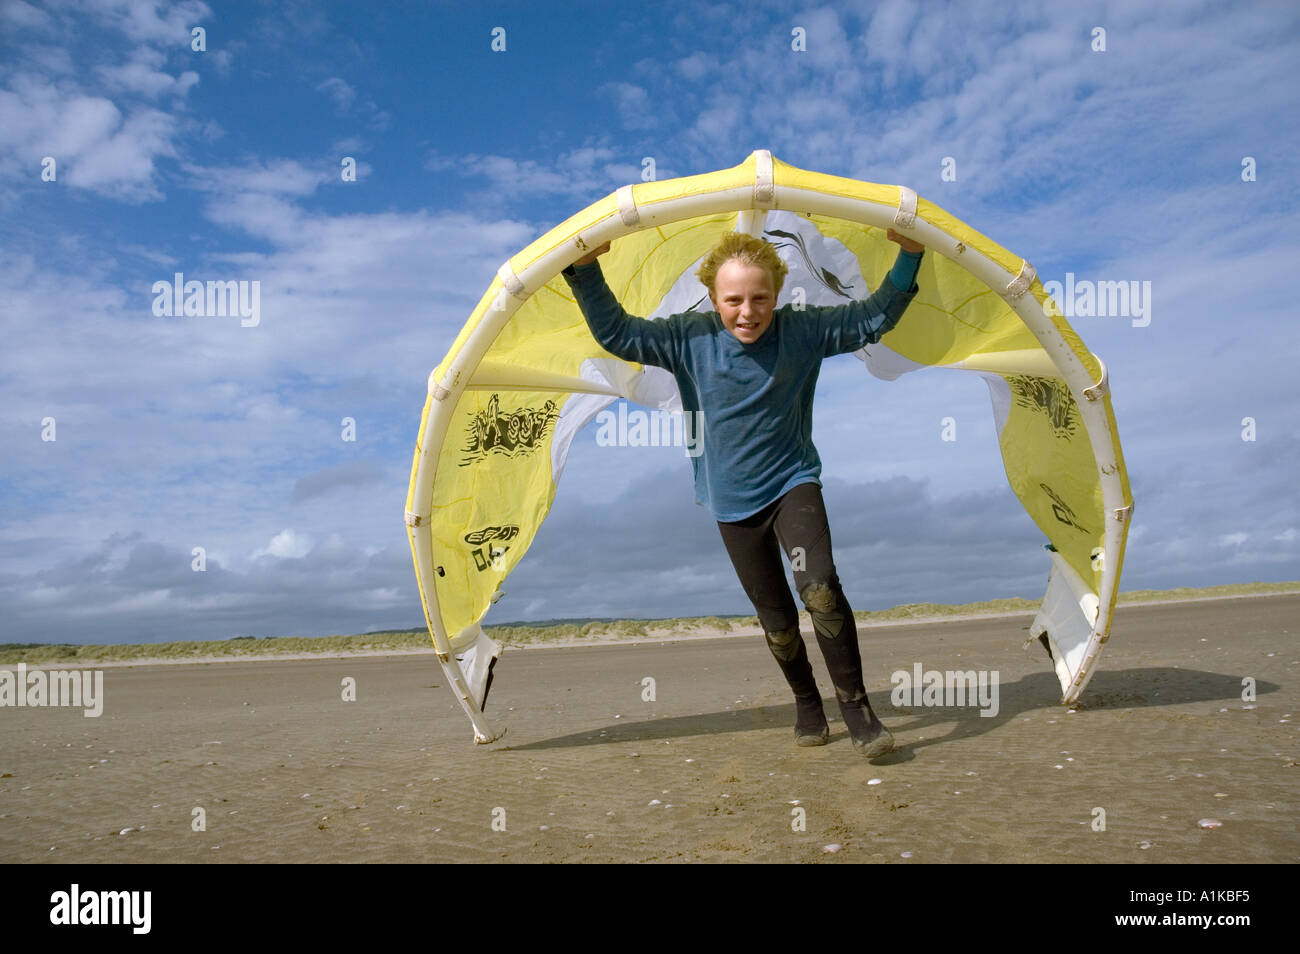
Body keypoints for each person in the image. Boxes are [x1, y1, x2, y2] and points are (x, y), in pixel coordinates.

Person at [561, 226, 923, 758]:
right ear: (713, 298)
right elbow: (619, 334)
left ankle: (857, 709)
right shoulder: (689, 337)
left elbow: (873, 318)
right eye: (734, 300)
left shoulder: (803, 331)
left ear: (777, 293)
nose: (748, 312)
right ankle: (807, 705)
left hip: (793, 480)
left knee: (819, 589)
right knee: (777, 620)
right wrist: (586, 269)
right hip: (729, 500)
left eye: (760, 298)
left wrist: (911, 254)